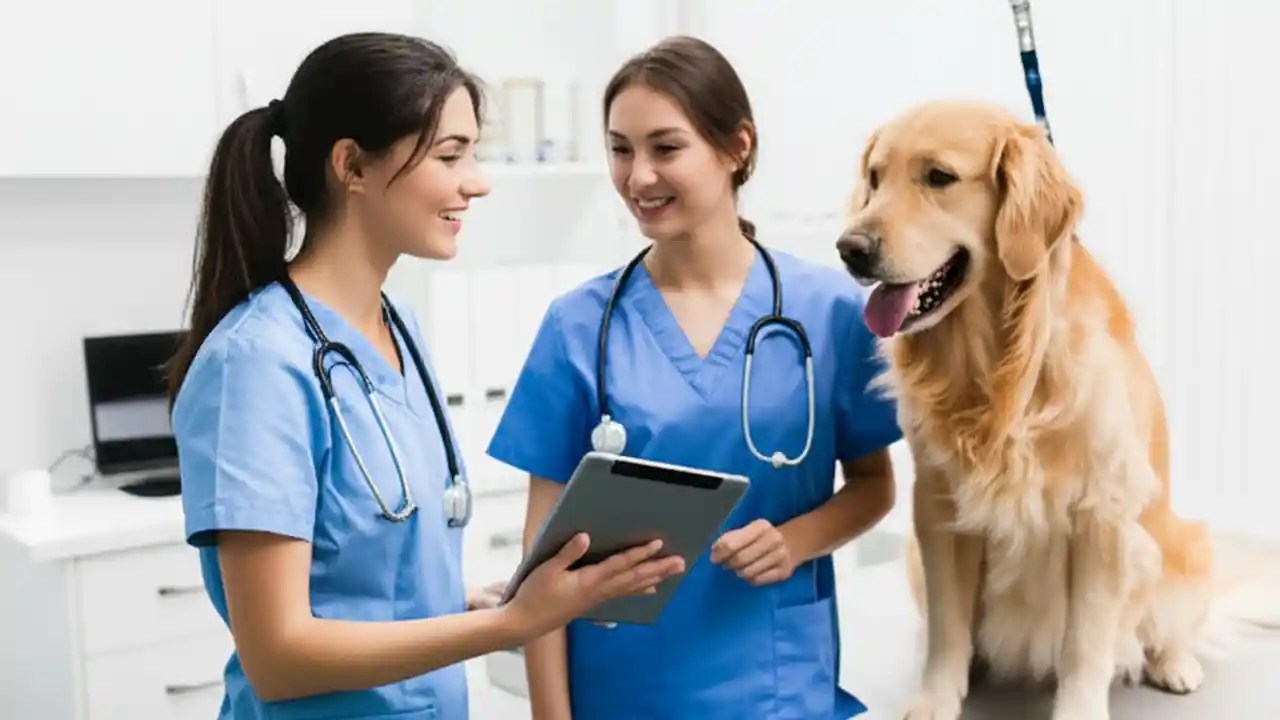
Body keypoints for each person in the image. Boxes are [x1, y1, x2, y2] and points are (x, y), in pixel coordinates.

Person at [164, 32, 685, 720]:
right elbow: (278, 657)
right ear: (351, 165)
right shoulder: (258, 364)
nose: (478, 180)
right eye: (451, 155)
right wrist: (509, 626)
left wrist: (467, 608)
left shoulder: (398, 326)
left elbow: (370, 585)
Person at [485, 35, 903, 720]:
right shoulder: (577, 325)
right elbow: (541, 559)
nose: (638, 175)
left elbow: (873, 486)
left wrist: (795, 541)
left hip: (776, 684)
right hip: (621, 690)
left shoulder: (825, 312)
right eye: (621, 148)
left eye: (665, 147)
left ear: (737, 148)